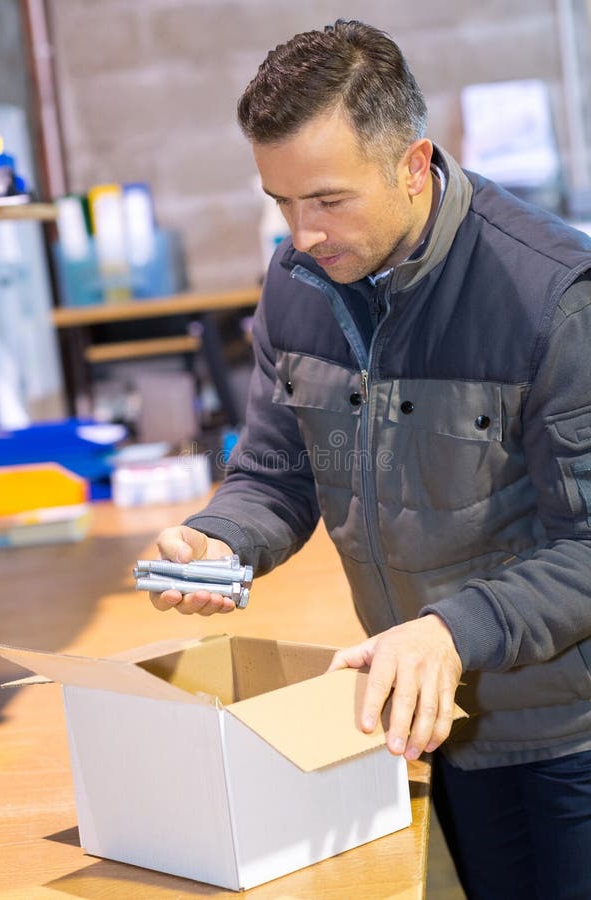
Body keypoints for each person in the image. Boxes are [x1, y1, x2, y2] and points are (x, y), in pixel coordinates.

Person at [150, 20, 591, 899]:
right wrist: (217, 542)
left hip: (565, 739)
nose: (301, 233)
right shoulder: (298, 285)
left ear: (412, 162)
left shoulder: (552, 297)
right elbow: (277, 471)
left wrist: (449, 631)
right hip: (419, 721)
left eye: (327, 199)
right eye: (279, 202)